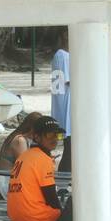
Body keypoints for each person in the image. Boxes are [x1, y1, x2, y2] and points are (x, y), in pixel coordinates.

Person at [7, 117, 72, 221]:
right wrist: (61, 214)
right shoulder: (42, 158)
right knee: (76, 200)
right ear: (37, 137)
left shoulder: (24, 156)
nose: (54, 139)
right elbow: (50, 195)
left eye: (57, 135)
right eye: (49, 135)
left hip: (17, 220)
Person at [50, 31, 72, 172]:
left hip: (64, 105)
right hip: (67, 106)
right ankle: (64, 181)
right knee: (70, 148)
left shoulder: (61, 55)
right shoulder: (62, 55)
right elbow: (67, 81)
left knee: (70, 147)